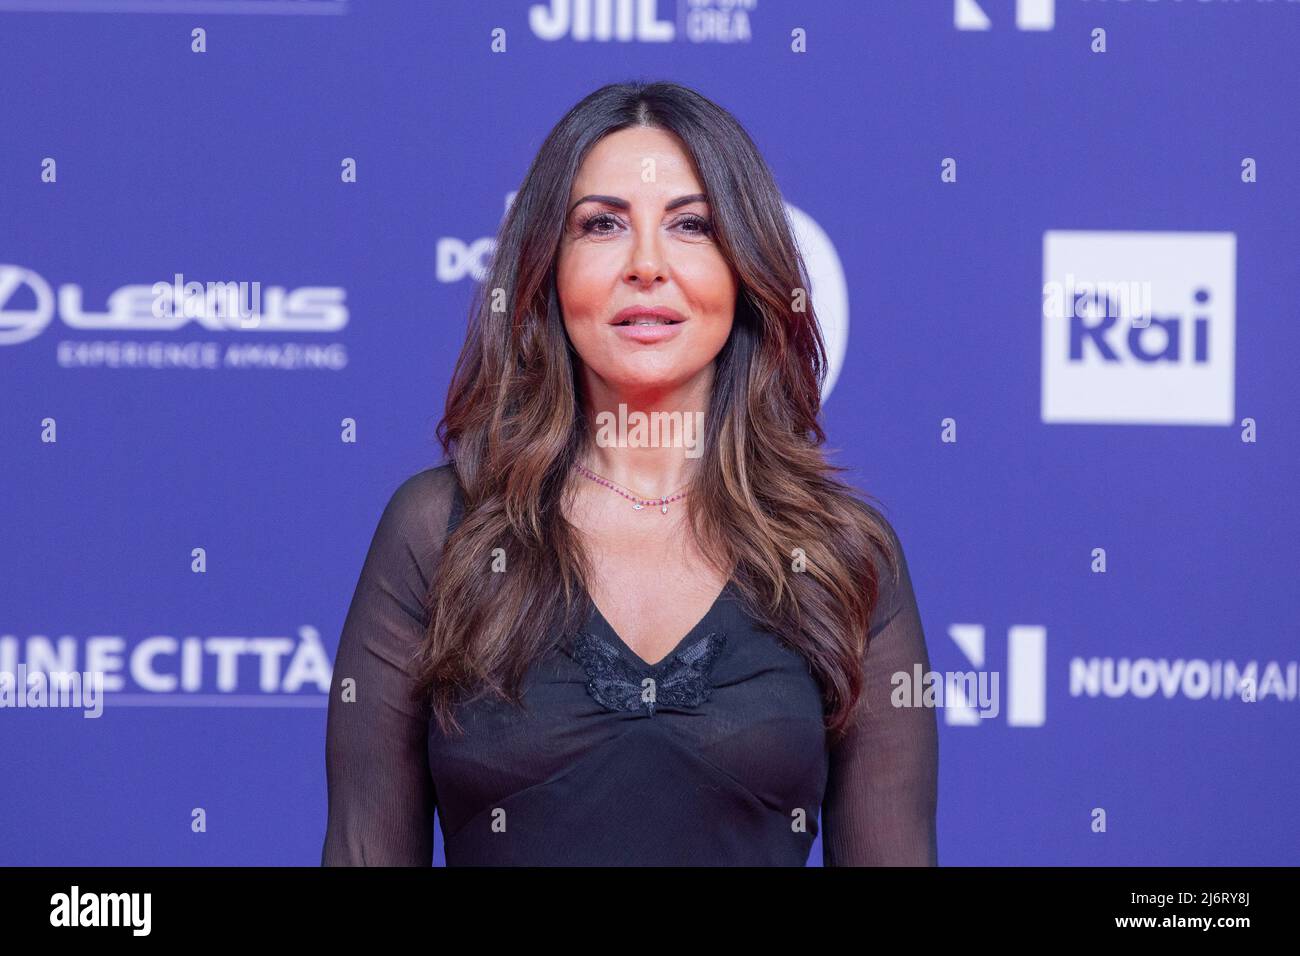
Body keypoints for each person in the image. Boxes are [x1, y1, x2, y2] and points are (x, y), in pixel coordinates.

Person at [322, 80, 938, 866]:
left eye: (692, 226)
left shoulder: (843, 552)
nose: (647, 265)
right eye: (603, 225)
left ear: (747, 267)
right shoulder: (441, 531)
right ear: (545, 269)